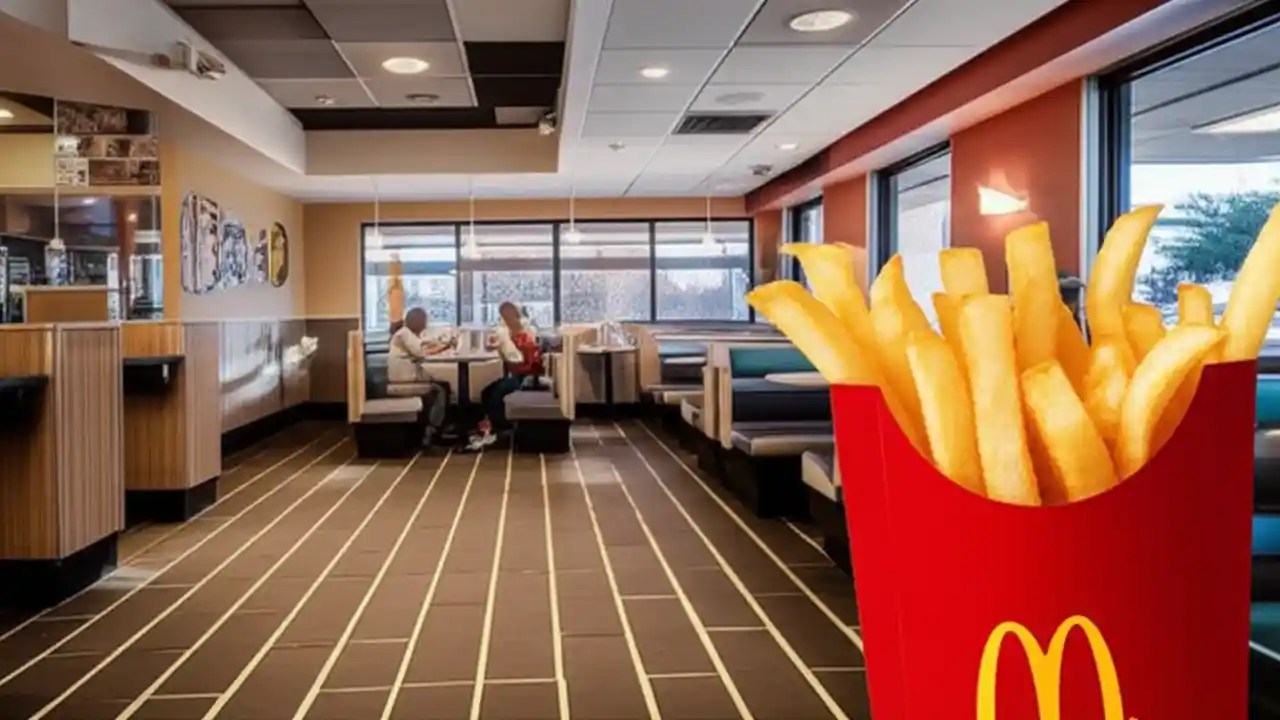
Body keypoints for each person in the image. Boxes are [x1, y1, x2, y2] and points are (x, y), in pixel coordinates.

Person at [466, 302, 542, 451]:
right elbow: (494, 347)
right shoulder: (503, 332)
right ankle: (495, 428)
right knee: (486, 392)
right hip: (514, 372)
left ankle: (503, 430)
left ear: (516, 313)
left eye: (510, 313)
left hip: (526, 374)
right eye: (504, 314)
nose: (507, 317)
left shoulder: (528, 330)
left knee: (496, 394)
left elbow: (524, 356)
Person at [387, 307, 454, 445]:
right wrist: (445, 347)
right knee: (440, 389)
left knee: (443, 385)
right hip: (403, 377)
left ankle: (436, 426)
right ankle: (434, 429)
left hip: (407, 374)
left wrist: (439, 346)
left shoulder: (407, 334)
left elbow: (421, 348)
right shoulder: (404, 333)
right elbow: (421, 353)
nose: (426, 324)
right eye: (424, 320)